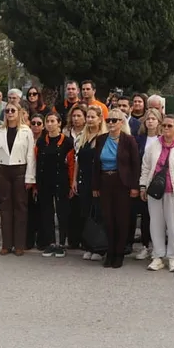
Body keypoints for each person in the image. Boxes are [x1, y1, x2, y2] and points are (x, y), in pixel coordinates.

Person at [138, 114, 174, 273]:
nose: (166, 128)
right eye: (163, 126)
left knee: (173, 225)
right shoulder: (154, 146)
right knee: (155, 224)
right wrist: (143, 186)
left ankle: (172, 258)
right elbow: (145, 168)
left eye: (169, 126)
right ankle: (157, 256)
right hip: (155, 192)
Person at [91, 109, 140, 268]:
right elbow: (96, 165)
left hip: (122, 183)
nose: (111, 123)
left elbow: (135, 165)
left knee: (121, 219)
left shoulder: (129, 140)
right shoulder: (101, 139)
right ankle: (110, 252)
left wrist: (134, 186)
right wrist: (96, 185)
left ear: (121, 122)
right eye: (108, 120)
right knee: (108, 219)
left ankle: (119, 254)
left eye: (114, 120)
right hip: (105, 181)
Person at [0, 105, 37, 255]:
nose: (9, 113)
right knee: (5, 208)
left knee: (20, 207)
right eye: (7, 111)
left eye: (12, 111)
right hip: (3, 171)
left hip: (20, 171)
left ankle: (19, 244)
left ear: (19, 113)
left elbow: (30, 156)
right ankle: (6, 244)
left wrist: (30, 177)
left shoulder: (26, 131)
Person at [36, 112, 76, 257]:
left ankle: (61, 243)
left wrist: (72, 183)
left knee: (62, 212)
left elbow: (72, 164)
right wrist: (36, 184)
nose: (50, 124)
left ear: (59, 123)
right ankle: (51, 243)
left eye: (53, 121)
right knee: (46, 212)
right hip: (44, 181)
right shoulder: (41, 142)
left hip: (62, 181)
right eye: (48, 121)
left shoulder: (67, 142)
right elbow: (37, 162)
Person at [72, 105, 107, 260]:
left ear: (100, 119)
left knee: (98, 213)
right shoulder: (83, 137)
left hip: (98, 180)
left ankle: (99, 248)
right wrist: (74, 179)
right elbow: (78, 160)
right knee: (85, 212)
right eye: (89, 117)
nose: (90, 120)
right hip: (83, 179)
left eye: (93, 117)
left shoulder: (104, 137)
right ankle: (88, 245)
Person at [131, 108, 163, 260]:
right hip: (144, 181)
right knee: (145, 216)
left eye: (153, 119)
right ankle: (145, 246)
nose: (150, 121)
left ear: (159, 121)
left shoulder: (163, 139)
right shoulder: (139, 139)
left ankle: (158, 247)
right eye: (148, 119)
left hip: (160, 182)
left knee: (159, 217)